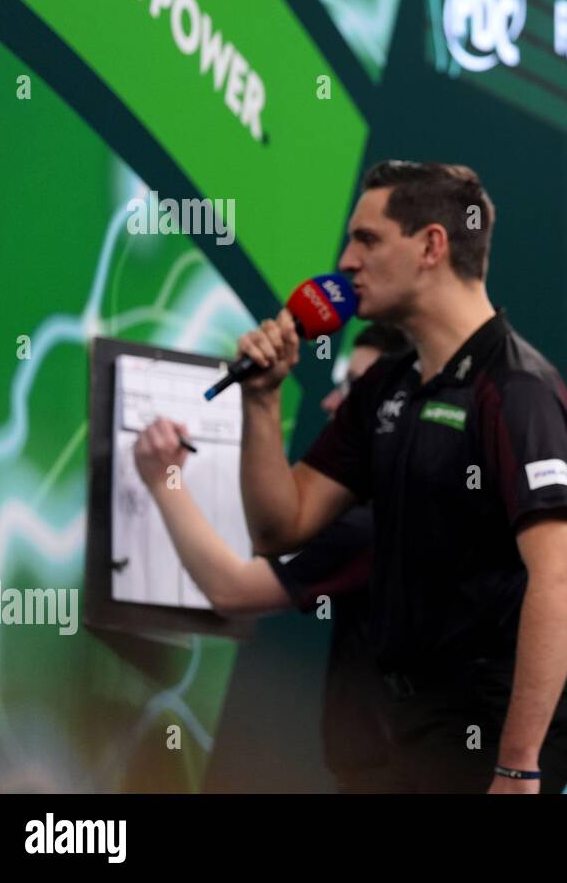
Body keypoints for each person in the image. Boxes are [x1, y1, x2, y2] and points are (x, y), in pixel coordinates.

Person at [233, 160, 567, 793]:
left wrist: (515, 766)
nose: (343, 261)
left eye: (366, 239)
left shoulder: (516, 387)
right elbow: (277, 527)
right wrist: (260, 400)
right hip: (409, 713)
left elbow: (561, 580)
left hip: (494, 716)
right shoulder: (383, 388)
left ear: (431, 246)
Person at [133, 323, 408, 791]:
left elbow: (231, 588)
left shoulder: (373, 522)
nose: (332, 403)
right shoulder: (397, 505)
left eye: (355, 389)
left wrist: (166, 480)